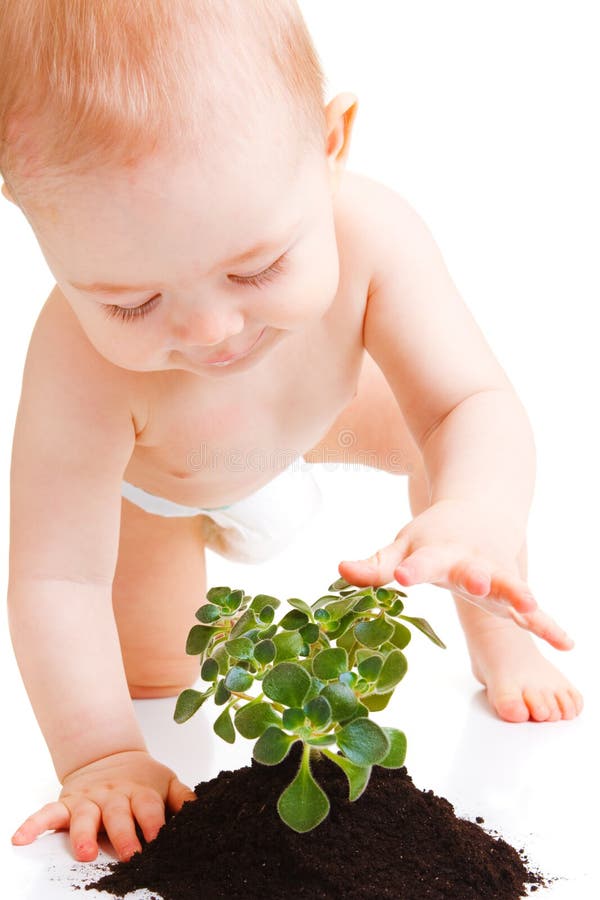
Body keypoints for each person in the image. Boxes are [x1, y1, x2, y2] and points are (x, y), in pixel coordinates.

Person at [2, 0, 582, 867]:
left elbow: (470, 401)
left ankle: (496, 628)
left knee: (452, 468)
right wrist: (100, 754)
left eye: (258, 267)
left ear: (330, 144)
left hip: (329, 415)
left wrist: (478, 511)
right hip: (162, 484)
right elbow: (58, 574)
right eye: (129, 301)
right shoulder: (75, 365)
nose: (209, 333)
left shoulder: (375, 233)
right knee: (155, 679)